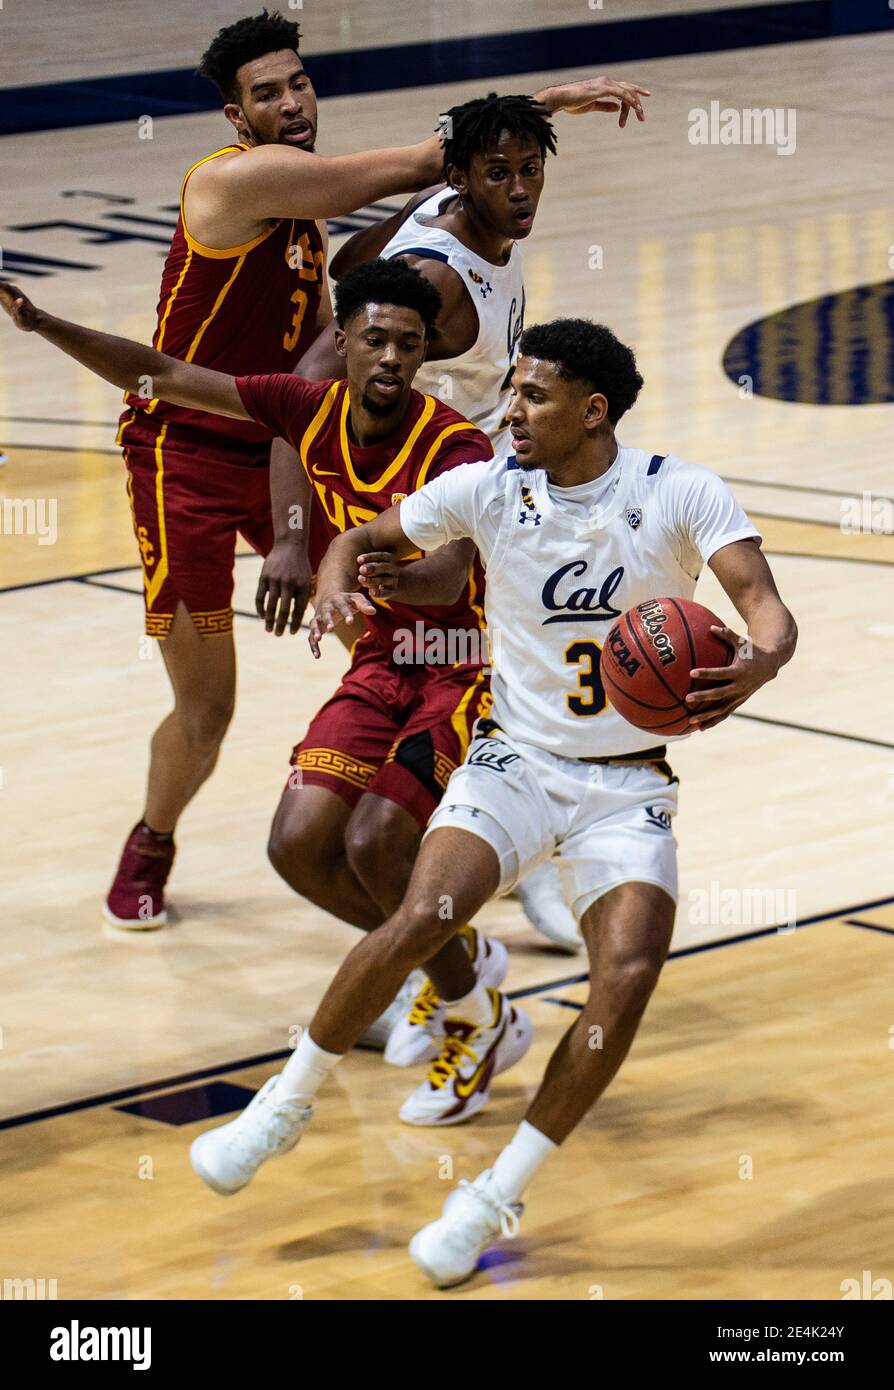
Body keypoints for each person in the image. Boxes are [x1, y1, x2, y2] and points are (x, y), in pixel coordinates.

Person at [186, 318, 797, 1286]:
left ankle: (489, 1199)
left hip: (625, 785)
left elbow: (764, 605)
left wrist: (757, 664)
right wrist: (338, 577)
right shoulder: (485, 487)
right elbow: (361, 536)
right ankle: (282, 1105)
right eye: (510, 390)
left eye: (533, 396)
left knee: (627, 979)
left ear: (592, 413)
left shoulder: (678, 491)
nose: (509, 409)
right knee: (422, 914)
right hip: (512, 760)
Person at [0, 257, 532, 1122]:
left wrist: (346, 565)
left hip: (454, 664)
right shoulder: (305, 406)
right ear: (345, 347)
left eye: (407, 343)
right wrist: (48, 327)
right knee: (296, 844)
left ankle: (474, 1013)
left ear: (425, 349)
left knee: (375, 845)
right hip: (376, 668)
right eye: (374, 341)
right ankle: (455, 967)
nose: (391, 358)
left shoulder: (456, 448)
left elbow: (445, 576)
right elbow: (165, 375)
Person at [260, 83, 651, 966]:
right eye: (499, 173)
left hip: (476, 489)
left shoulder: (450, 208)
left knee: (500, 681)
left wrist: (549, 101)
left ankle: (481, 889)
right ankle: (459, 936)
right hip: (432, 498)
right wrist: (291, 536)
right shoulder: (439, 276)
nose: (520, 189)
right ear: (466, 180)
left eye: (530, 169)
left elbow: (357, 261)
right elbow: (306, 383)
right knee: (488, 682)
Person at [101, 7, 461, 928]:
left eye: (300, 82)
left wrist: (295, 531)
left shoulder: (304, 232)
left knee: (403, 642)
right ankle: (152, 840)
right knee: (208, 707)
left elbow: (301, 389)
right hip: (179, 454)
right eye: (269, 92)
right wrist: (517, 121)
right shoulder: (233, 182)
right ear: (237, 117)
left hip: (273, 442)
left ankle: (450, 820)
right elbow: (407, 166)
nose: (294, 102)